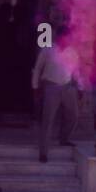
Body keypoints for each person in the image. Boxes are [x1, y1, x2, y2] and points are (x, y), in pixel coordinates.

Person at [32, 35, 80, 163]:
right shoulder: (48, 49)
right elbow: (38, 68)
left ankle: (64, 138)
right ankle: (43, 152)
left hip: (68, 86)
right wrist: (35, 86)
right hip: (51, 86)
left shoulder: (72, 51)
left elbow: (76, 71)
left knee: (73, 115)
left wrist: (80, 87)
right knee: (48, 120)